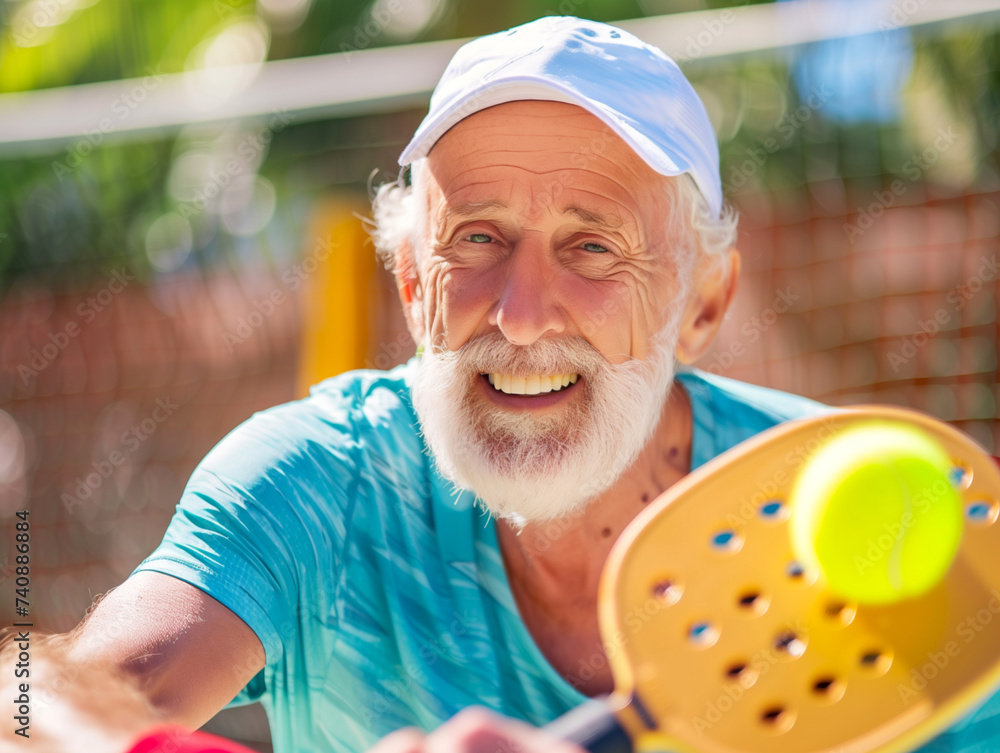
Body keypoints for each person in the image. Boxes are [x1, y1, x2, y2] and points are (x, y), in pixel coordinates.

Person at [7, 14, 998, 753]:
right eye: (475, 241)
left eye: (591, 247)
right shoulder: (315, 480)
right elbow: (28, 700)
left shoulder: (857, 526)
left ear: (702, 304)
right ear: (409, 284)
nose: (521, 314)